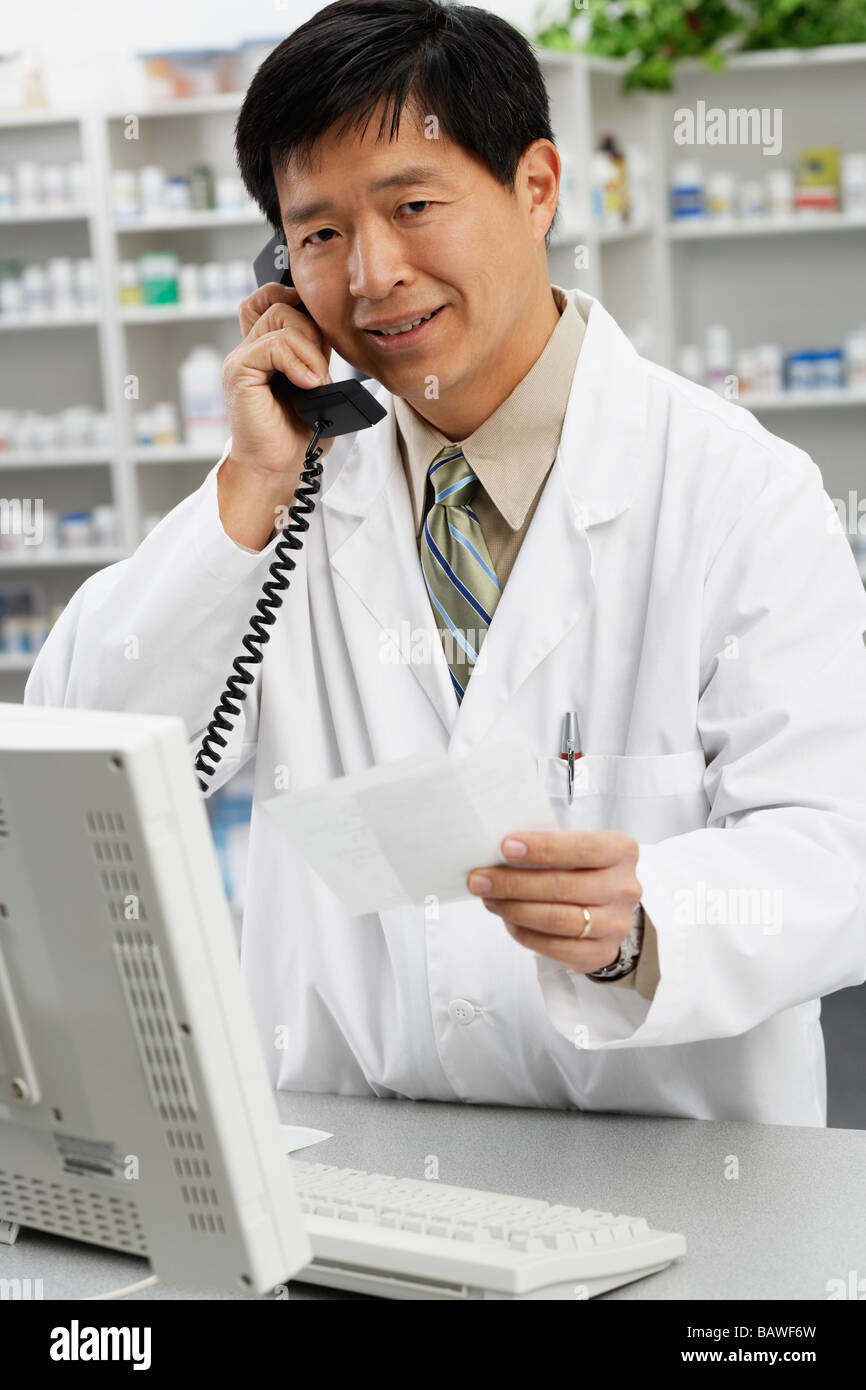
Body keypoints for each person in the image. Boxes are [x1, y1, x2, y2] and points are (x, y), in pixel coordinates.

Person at [26, 0, 866, 1125]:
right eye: (318, 234)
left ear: (533, 187)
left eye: (411, 206)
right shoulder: (284, 497)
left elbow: (833, 849)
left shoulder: (736, 493)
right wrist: (244, 495)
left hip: (669, 1184)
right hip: (355, 1177)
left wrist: (642, 918)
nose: (371, 274)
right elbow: (79, 759)